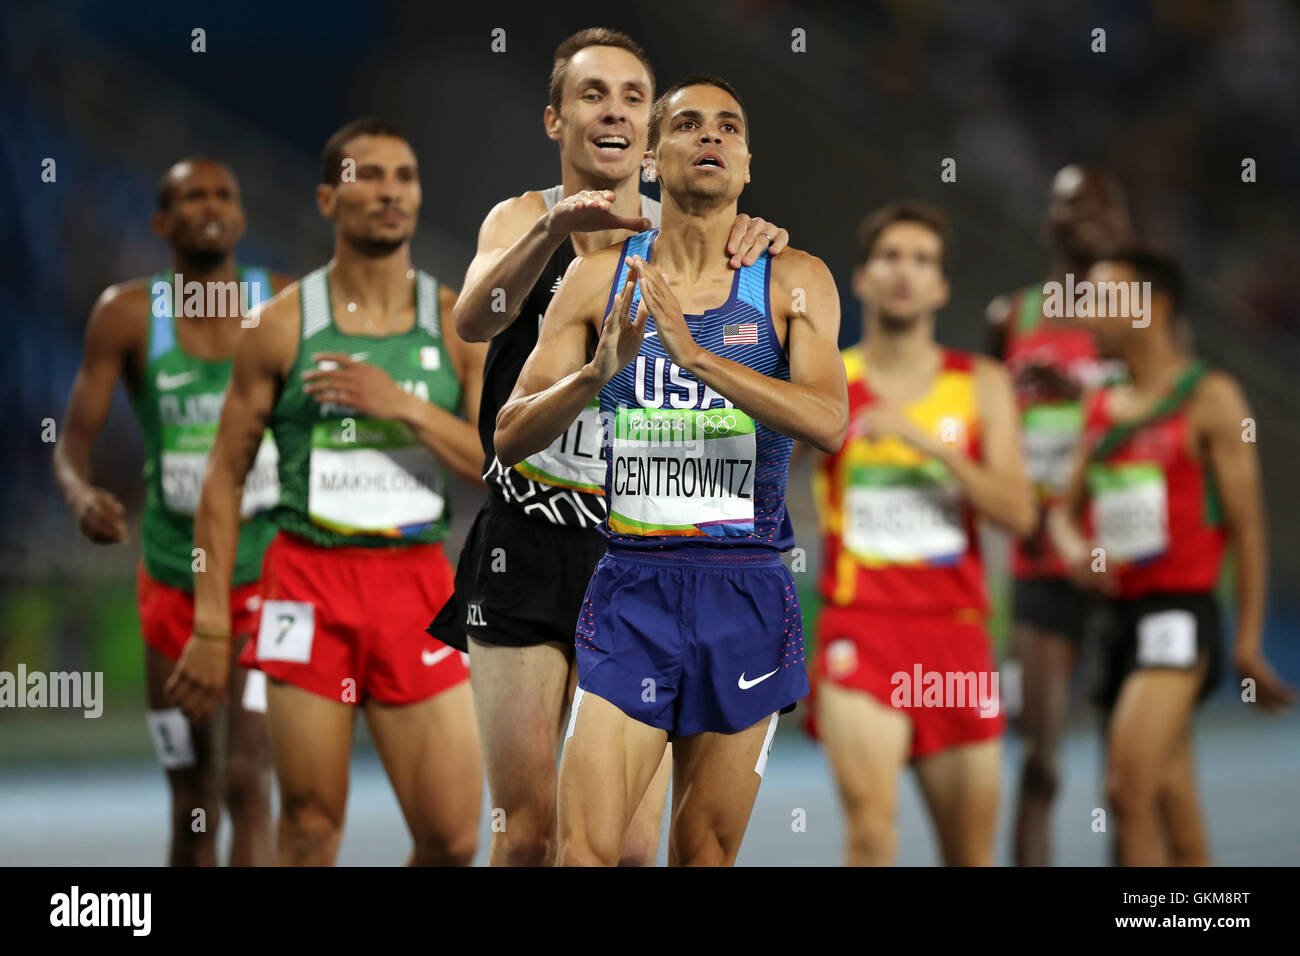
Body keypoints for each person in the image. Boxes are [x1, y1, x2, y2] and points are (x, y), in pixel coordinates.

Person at [428, 28, 789, 866]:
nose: (614, 112)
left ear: (653, 136)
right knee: (526, 833)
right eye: (593, 95)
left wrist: (760, 237)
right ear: (556, 121)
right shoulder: (521, 218)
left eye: (633, 97)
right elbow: (475, 321)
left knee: (627, 845)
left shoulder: (694, 232)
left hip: (642, 549)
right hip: (528, 536)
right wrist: (553, 229)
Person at [494, 74, 847, 866]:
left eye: (729, 127)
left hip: (747, 594)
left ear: (747, 163)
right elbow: (509, 436)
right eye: (688, 124)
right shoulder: (599, 277)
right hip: (633, 592)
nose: (711, 135)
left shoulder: (795, 279)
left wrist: (697, 358)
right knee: (584, 850)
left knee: (704, 852)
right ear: (652, 160)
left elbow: (829, 421)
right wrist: (594, 376)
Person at [166, 118, 487, 866]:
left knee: (452, 838)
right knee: (309, 831)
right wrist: (210, 624)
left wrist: (401, 404)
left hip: (417, 585)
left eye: (404, 177)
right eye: (367, 176)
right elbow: (223, 477)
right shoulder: (280, 327)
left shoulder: (454, 324)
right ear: (326, 199)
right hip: (307, 585)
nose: (390, 192)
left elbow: (492, 463)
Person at [53, 157, 289, 865]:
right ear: (162, 221)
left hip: (265, 576)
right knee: (192, 795)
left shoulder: (285, 304)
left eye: (223, 195)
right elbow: (72, 442)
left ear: (241, 217)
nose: (210, 206)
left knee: (248, 779)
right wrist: (81, 495)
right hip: (171, 578)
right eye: (192, 197)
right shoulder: (125, 315)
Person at [1050, 246, 1295, 865]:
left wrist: (1247, 644)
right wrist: (1079, 552)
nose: (1084, 313)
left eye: (1100, 299)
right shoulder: (1100, 403)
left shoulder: (1210, 398)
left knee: (1125, 787)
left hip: (1178, 616)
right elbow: (1061, 513)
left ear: (1151, 307)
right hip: (1114, 621)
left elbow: (1248, 529)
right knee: (1172, 806)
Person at [810, 201, 1036, 865]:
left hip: (955, 635)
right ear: (862, 279)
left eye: (922, 260)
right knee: (871, 834)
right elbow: (763, 481)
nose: (905, 272)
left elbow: (1019, 514)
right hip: (861, 628)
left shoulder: (982, 385)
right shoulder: (828, 381)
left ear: (940, 287)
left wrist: (929, 445)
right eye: (890, 257)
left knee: (970, 854)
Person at [986, 164, 1132, 865]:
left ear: (1122, 224)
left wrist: (1076, 391)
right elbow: (986, 426)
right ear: (1050, 220)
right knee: (1040, 765)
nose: (1090, 216)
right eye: (1075, 204)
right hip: (1040, 559)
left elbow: (1170, 413)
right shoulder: (1010, 318)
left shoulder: (1140, 316)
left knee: (1131, 773)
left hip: (1126, 562)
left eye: (1103, 205)